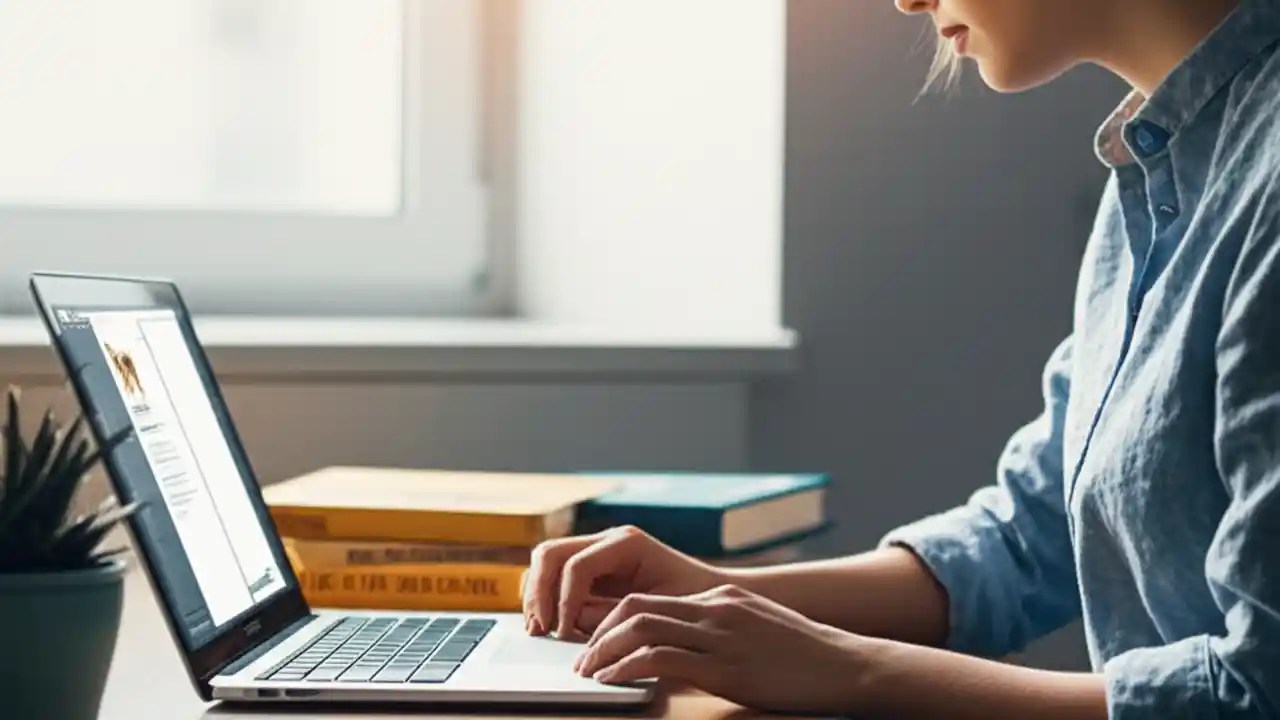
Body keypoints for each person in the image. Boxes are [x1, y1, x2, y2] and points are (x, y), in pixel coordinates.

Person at [521, 0, 1280, 717]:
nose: (908, 2)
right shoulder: (1161, 176)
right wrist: (715, 593)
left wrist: (848, 668)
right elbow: (1027, 539)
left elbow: (1259, 692)